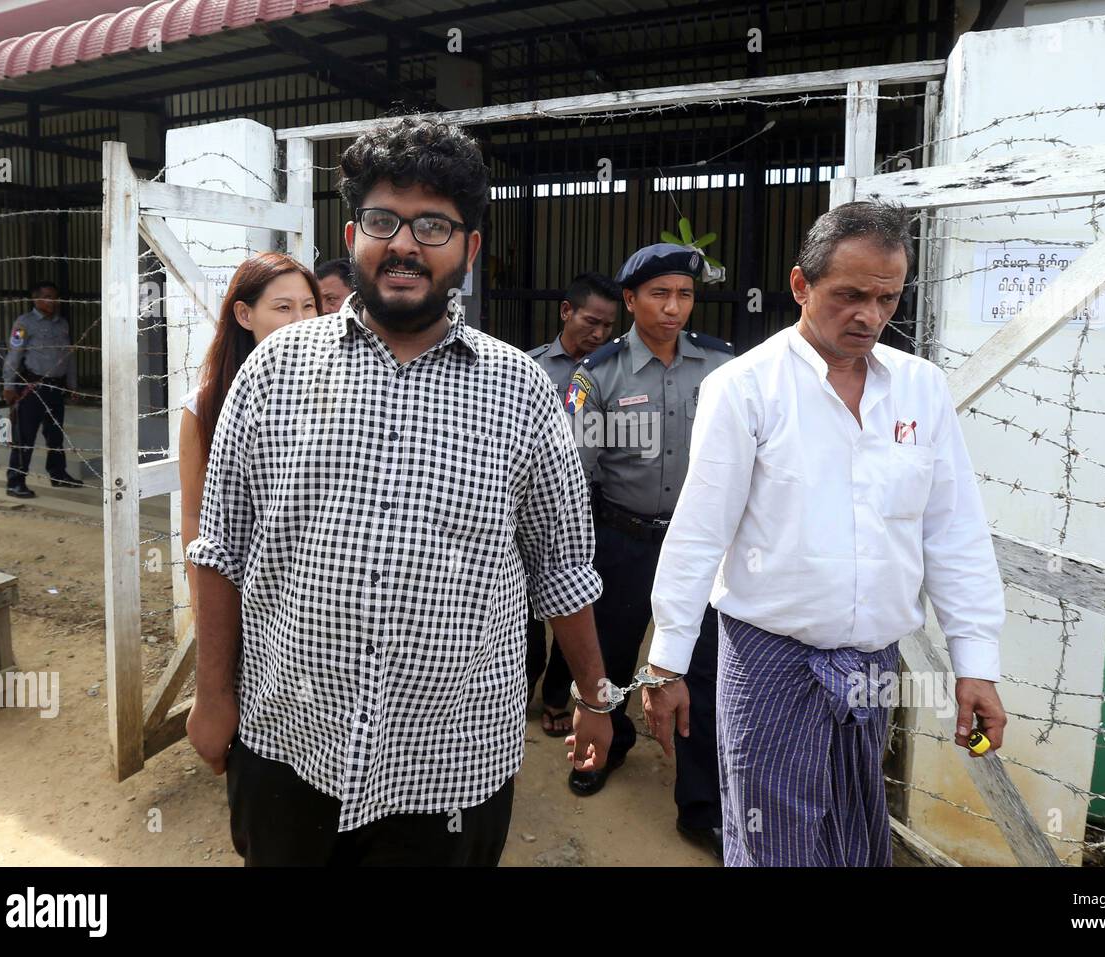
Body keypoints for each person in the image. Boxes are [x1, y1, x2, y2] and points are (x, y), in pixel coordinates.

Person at [184, 117, 613, 866]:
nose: (406, 243)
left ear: (470, 249)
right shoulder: (273, 372)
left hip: (451, 765)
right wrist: (214, 693)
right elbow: (221, 548)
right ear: (354, 236)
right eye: (384, 220)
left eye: (434, 225)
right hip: (289, 742)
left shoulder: (520, 390)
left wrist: (593, 693)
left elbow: (561, 567)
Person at [646, 201, 1009, 866]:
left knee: (851, 834)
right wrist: (666, 660)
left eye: (886, 297)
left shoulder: (921, 392)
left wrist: (976, 662)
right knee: (772, 842)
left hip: (873, 665)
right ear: (800, 286)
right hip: (766, 662)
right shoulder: (745, 388)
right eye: (848, 296)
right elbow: (700, 530)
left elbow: (953, 532)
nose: (868, 316)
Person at [565, 242, 732, 860]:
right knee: (608, 653)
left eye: (684, 295)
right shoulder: (598, 375)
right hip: (623, 539)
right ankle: (605, 744)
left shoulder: (720, 366)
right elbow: (576, 475)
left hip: (700, 549)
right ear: (630, 300)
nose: (674, 307)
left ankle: (701, 802)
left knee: (701, 667)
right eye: (659, 294)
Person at [178, 252, 321, 601]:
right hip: (245, 587)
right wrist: (201, 602)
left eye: (309, 306)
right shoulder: (205, 405)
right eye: (283, 308)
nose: (300, 321)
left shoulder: (342, 393)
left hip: (319, 596)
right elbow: (195, 515)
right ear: (245, 314)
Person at [525, 271, 619, 737]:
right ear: (566, 312)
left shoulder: (614, 371)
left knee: (576, 597)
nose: (599, 333)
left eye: (608, 325)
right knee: (524, 605)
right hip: (530, 506)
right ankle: (521, 683)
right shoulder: (528, 368)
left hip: (593, 504)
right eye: (591, 321)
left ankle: (560, 695)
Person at [2, 280, 82, 497]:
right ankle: (15, 481)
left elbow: (69, 356)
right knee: (25, 435)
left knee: (55, 434)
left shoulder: (62, 324)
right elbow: (14, 355)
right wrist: (9, 385)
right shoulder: (23, 324)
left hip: (55, 387)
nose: (52, 301)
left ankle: (58, 474)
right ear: (36, 299)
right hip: (32, 387)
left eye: (54, 297)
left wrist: (73, 385)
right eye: (47, 297)